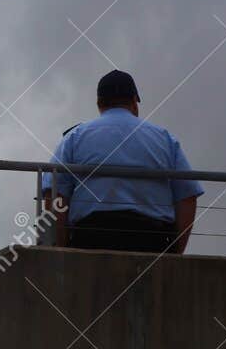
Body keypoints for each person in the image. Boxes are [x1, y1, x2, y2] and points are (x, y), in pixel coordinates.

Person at [49, 70, 202, 254]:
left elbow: (55, 191)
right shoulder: (164, 138)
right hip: (152, 238)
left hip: (90, 236)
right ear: (134, 102)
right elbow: (187, 196)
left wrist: (62, 248)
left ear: (99, 103)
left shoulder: (75, 137)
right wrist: (175, 252)